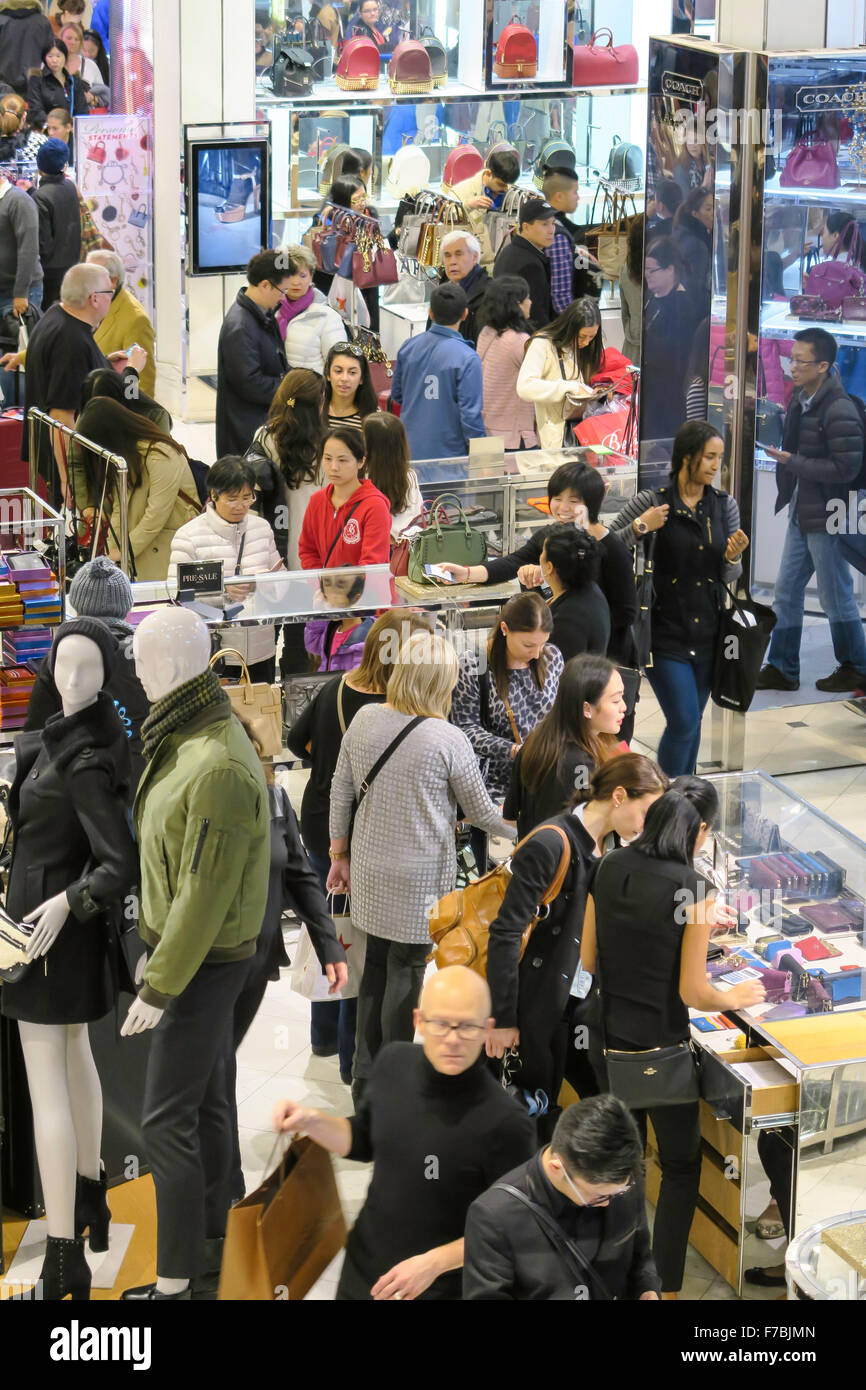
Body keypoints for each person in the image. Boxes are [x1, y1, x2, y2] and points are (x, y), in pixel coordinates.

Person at [581, 781, 765, 1298]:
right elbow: (693, 992)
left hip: (605, 1039)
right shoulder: (695, 888)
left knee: (624, 1166)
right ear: (699, 830)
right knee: (681, 1168)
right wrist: (734, 995)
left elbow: (588, 960)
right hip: (660, 1049)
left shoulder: (608, 865)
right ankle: (663, 1291)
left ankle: (619, 1277)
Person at [273, 966, 535, 1300]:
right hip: (364, 1269)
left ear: (487, 1029)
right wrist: (311, 1121)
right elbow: (363, 1138)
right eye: (440, 1023)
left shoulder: (507, 1122)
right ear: (419, 1021)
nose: (453, 1039)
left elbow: (512, 1227)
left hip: (438, 1288)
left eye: (467, 1026)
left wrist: (434, 1264)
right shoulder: (394, 1063)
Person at [327, 633, 514, 1097]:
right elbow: (483, 813)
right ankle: (395, 1080)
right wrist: (528, 828)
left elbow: (340, 790)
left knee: (375, 965)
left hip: (369, 867)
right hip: (421, 877)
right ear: (439, 682)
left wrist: (338, 855)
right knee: (407, 969)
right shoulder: (447, 739)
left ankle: (365, 1080)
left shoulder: (365, 718)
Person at [286, 609, 434, 1085]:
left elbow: (296, 741)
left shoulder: (334, 688)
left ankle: (323, 1037)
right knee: (361, 946)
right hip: (362, 836)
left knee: (331, 928)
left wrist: (329, 760)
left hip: (317, 824)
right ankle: (351, 1059)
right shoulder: (398, 709)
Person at [486, 755, 668, 1130]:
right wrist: (501, 1020)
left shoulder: (613, 845)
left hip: (580, 1003)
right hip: (536, 1004)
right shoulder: (551, 843)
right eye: (645, 812)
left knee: (595, 1107)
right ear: (619, 796)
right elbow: (505, 932)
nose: (646, 824)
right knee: (531, 1115)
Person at [225, 720, 346, 1208]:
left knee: (218, 1066)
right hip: (201, 964)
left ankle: (225, 1194)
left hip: (253, 960)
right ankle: (224, 1189)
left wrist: (329, 943)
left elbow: (298, 873)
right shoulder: (195, 798)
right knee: (213, 1071)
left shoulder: (274, 801)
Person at [610, 421, 749, 776]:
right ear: (687, 457)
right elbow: (607, 548)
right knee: (684, 721)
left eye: (719, 458)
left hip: (709, 633)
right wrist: (641, 526)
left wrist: (732, 558)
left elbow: (729, 575)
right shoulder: (652, 502)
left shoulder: (724, 506)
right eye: (709, 457)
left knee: (693, 722)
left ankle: (685, 796)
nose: (716, 466)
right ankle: (665, 796)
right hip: (664, 634)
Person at [464, 1094, 660, 1301]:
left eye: (618, 1192)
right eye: (598, 1196)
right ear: (557, 1168)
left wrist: (646, 1288)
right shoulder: (495, 1217)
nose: (608, 1202)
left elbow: (640, 1256)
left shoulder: (623, 1180)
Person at [757, 326, 866, 694]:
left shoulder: (839, 408)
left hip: (829, 514)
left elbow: (846, 468)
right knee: (786, 591)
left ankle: (856, 666)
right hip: (803, 511)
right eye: (791, 359)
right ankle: (782, 666)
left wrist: (793, 462)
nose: (792, 367)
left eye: (800, 362)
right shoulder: (801, 399)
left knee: (835, 595)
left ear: (823, 366)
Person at [16, 263, 147, 504]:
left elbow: (70, 375)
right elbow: (61, 417)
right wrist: (69, 479)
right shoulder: (71, 342)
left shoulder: (56, 317)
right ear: (94, 299)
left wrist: (102, 362)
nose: (112, 299)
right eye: (109, 293)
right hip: (71, 460)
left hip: (51, 453)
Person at [24, 557, 149, 788]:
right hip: (142, 784)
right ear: (127, 608)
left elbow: (35, 733)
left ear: (77, 606)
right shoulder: (145, 654)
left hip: (76, 784)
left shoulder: (60, 657)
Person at [168, 455, 284, 681]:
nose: (241, 506)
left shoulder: (261, 528)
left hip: (261, 649)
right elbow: (176, 596)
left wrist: (267, 584)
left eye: (247, 497)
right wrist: (223, 593)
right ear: (213, 495)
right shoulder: (189, 537)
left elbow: (281, 580)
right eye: (232, 499)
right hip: (215, 652)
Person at [451, 591, 564, 808]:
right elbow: (464, 729)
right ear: (504, 629)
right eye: (528, 645)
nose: (537, 653)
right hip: (491, 787)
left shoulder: (552, 658)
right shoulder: (473, 665)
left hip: (543, 780)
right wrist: (513, 750)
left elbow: (559, 716)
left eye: (542, 643)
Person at [73, 395, 198, 581]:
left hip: (169, 548)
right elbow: (119, 509)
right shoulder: (125, 458)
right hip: (143, 546)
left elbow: (156, 516)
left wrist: (123, 552)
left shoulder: (161, 454)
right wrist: (109, 550)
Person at [505, 654, 628, 839]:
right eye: (616, 700)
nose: (623, 707)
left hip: (533, 849)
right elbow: (585, 826)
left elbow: (510, 814)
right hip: (562, 854)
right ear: (587, 709)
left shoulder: (536, 741)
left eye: (622, 697)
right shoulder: (581, 764)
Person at [390, 282, 485, 461]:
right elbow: (470, 416)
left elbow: (397, 395)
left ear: (430, 313)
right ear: (465, 314)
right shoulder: (467, 357)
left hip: (410, 451)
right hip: (450, 457)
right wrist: (483, 458)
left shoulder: (408, 347)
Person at [216, 248, 289, 458]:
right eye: (282, 291)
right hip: (246, 432)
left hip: (261, 423)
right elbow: (250, 384)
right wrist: (290, 391)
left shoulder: (261, 314)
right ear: (265, 285)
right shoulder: (241, 326)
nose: (282, 298)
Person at [249, 367, 323, 568]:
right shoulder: (326, 442)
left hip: (277, 529)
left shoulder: (265, 435)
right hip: (316, 538)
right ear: (318, 404)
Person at [298, 426, 391, 571]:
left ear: (361, 462)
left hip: (366, 586)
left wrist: (344, 586)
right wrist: (319, 582)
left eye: (342, 460)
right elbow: (308, 551)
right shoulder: (317, 500)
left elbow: (373, 563)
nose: (334, 467)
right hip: (325, 585)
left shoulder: (375, 505)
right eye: (327, 459)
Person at [516, 296, 603, 449]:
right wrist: (570, 387)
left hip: (583, 433)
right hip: (557, 438)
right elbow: (524, 387)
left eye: (592, 337)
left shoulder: (582, 348)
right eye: (582, 336)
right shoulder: (542, 344)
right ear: (569, 327)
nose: (586, 342)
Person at [641, 238, 699, 442]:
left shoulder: (681, 305)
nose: (647, 275)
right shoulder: (652, 298)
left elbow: (677, 357)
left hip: (668, 397)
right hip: (651, 391)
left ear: (670, 270)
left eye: (652, 270)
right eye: (645, 269)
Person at [476, 274, 537, 449]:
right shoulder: (518, 341)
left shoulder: (486, 332)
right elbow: (539, 380)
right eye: (527, 298)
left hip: (486, 432)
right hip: (515, 437)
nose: (531, 302)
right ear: (517, 304)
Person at [87, 249, 157, 397]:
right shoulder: (92, 304)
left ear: (113, 281)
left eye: (91, 277)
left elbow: (140, 384)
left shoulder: (135, 320)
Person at [537, 524, 610, 664]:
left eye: (542, 552)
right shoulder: (590, 589)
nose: (540, 557)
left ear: (549, 567)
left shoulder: (566, 620)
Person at [0, 161, 41, 407]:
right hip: (5, 291)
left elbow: (28, 248)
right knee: (6, 357)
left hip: (19, 293)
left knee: (22, 356)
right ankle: (8, 409)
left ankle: (23, 412)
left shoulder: (18, 201)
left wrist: (21, 293)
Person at [274, 243, 344, 377]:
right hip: (275, 388)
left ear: (311, 277)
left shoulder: (327, 316)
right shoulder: (271, 310)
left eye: (302, 275)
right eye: (290, 275)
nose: (296, 282)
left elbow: (338, 365)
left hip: (312, 388)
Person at [29, 137, 80, 307]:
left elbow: (43, 243)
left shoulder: (40, 197)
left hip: (49, 271)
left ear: (39, 166)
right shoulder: (70, 187)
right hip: (71, 262)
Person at [542, 168, 601, 314]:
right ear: (559, 196)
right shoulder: (557, 236)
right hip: (564, 319)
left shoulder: (545, 223)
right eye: (575, 192)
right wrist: (576, 322)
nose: (578, 197)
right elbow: (560, 295)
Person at [493, 196, 556, 329]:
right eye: (545, 224)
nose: (551, 230)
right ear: (526, 227)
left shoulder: (509, 251)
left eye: (553, 223)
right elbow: (536, 316)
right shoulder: (530, 265)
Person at [453, 147, 521, 269]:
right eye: (501, 184)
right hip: (474, 268)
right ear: (489, 174)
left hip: (507, 265)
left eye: (508, 185)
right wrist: (467, 206)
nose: (505, 188)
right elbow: (448, 219)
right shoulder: (460, 192)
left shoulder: (514, 194)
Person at [362, 411, 422, 542]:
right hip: (404, 547)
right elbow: (417, 518)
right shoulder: (409, 476)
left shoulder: (359, 478)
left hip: (376, 547)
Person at [305, 572, 374, 674]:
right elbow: (313, 646)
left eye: (335, 601)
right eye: (326, 598)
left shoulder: (363, 639)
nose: (328, 606)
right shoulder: (332, 628)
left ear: (356, 599)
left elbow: (359, 676)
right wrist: (317, 614)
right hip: (329, 681)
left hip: (344, 683)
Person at [434, 230, 490, 347]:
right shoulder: (441, 291)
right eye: (447, 255)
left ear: (475, 257)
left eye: (459, 254)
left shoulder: (489, 294)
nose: (452, 262)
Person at [26, 39, 89, 126]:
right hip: (46, 129)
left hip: (71, 129)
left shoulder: (74, 80)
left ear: (65, 57)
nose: (54, 60)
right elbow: (35, 111)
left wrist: (72, 127)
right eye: (50, 56)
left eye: (58, 56)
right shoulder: (36, 79)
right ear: (44, 58)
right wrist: (55, 126)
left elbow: (83, 110)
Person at [321, 338, 378, 432]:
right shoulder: (314, 410)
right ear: (328, 374)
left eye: (352, 373)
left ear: (362, 378)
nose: (344, 378)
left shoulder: (373, 415)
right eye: (338, 371)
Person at [0, 0, 53, 93]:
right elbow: (50, 56)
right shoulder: (42, 22)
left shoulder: (2, 20)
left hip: (2, 85)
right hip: (33, 86)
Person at [672, 185, 714, 291]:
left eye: (715, 208)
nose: (713, 213)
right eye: (708, 209)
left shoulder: (681, 232)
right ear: (694, 214)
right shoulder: (697, 246)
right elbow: (694, 289)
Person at [619, 213, 644, 365]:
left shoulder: (627, 268)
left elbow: (625, 311)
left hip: (632, 341)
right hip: (652, 346)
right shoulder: (660, 270)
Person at [58, 20, 103, 101]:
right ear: (60, 38)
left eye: (77, 39)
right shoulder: (49, 62)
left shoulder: (90, 65)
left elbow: (103, 96)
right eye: (69, 38)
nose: (73, 42)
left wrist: (92, 99)